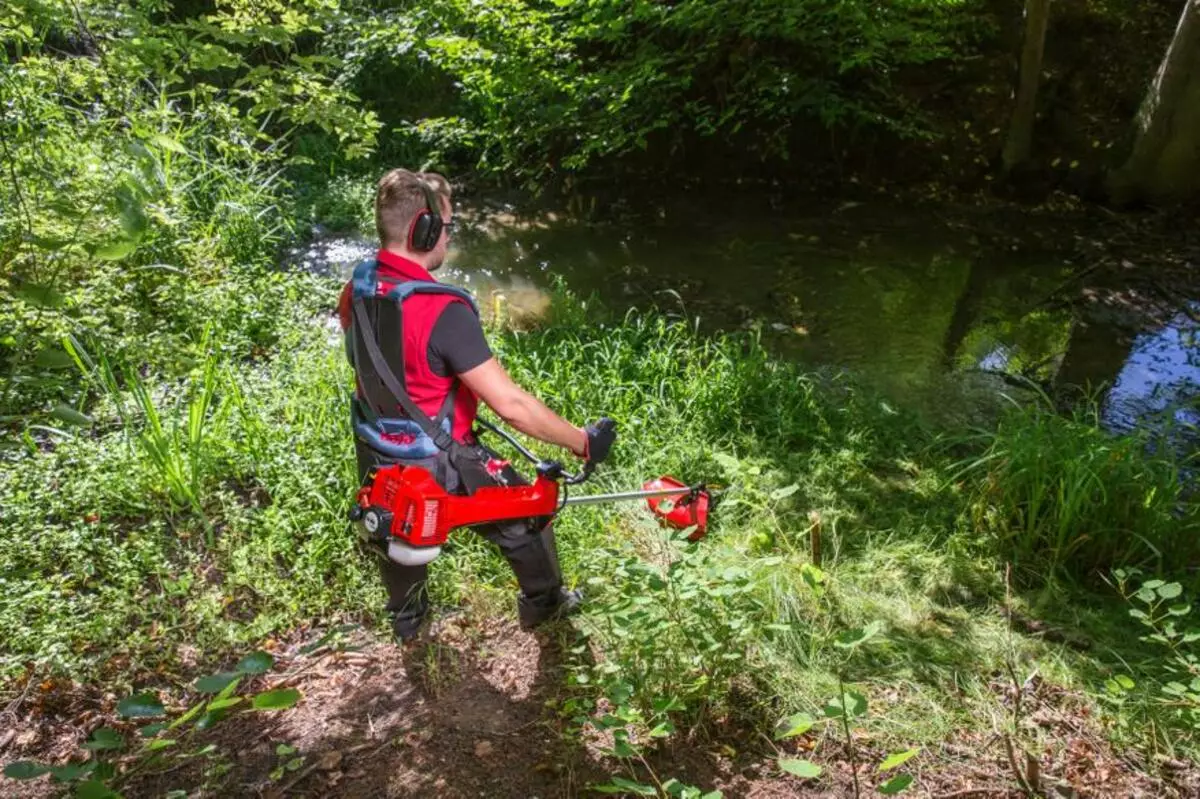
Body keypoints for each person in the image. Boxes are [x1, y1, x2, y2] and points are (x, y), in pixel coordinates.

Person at [337, 168, 616, 642]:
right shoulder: (443, 308)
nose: (448, 237)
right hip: (440, 458)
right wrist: (582, 442)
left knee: (397, 528)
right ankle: (545, 607)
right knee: (526, 516)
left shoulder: (358, 288)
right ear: (423, 229)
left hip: (376, 448)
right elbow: (511, 406)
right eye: (446, 227)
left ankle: (408, 623)